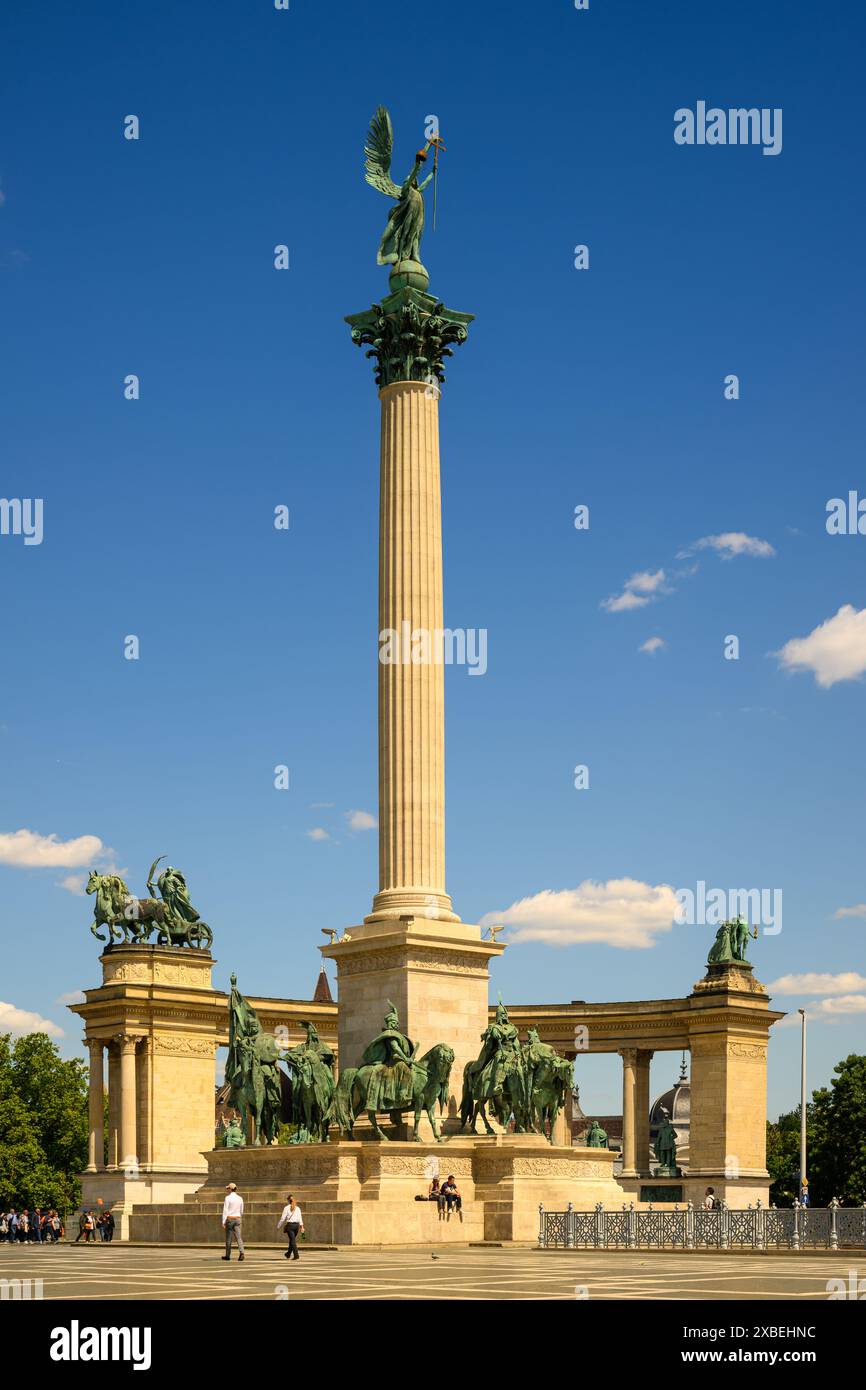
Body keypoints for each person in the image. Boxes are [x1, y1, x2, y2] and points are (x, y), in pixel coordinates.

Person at [221, 1182, 245, 1262]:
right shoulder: (240, 1198)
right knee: (239, 1237)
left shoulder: (227, 1198)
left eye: (228, 1188)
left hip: (230, 1219)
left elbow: (225, 1210)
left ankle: (227, 1255)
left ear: (231, 1189)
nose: (227, 1189)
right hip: (238, 1218)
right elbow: (242, 1210)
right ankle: (242, 1252)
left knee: (228, 1238)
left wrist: (223, 1221)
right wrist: (239, 1217)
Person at [276, 1193, 304, 1260]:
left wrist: (278, 1226)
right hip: (296, 1226)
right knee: (292, 1240)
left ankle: (296, 1255)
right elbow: (300, 1218)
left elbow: (283, 1218)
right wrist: (302, 1227)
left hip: (290, 1226)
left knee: (292, 1241)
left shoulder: (286, 1208)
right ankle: (288, 1254)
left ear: (288, 1200)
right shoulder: (298, 1208)